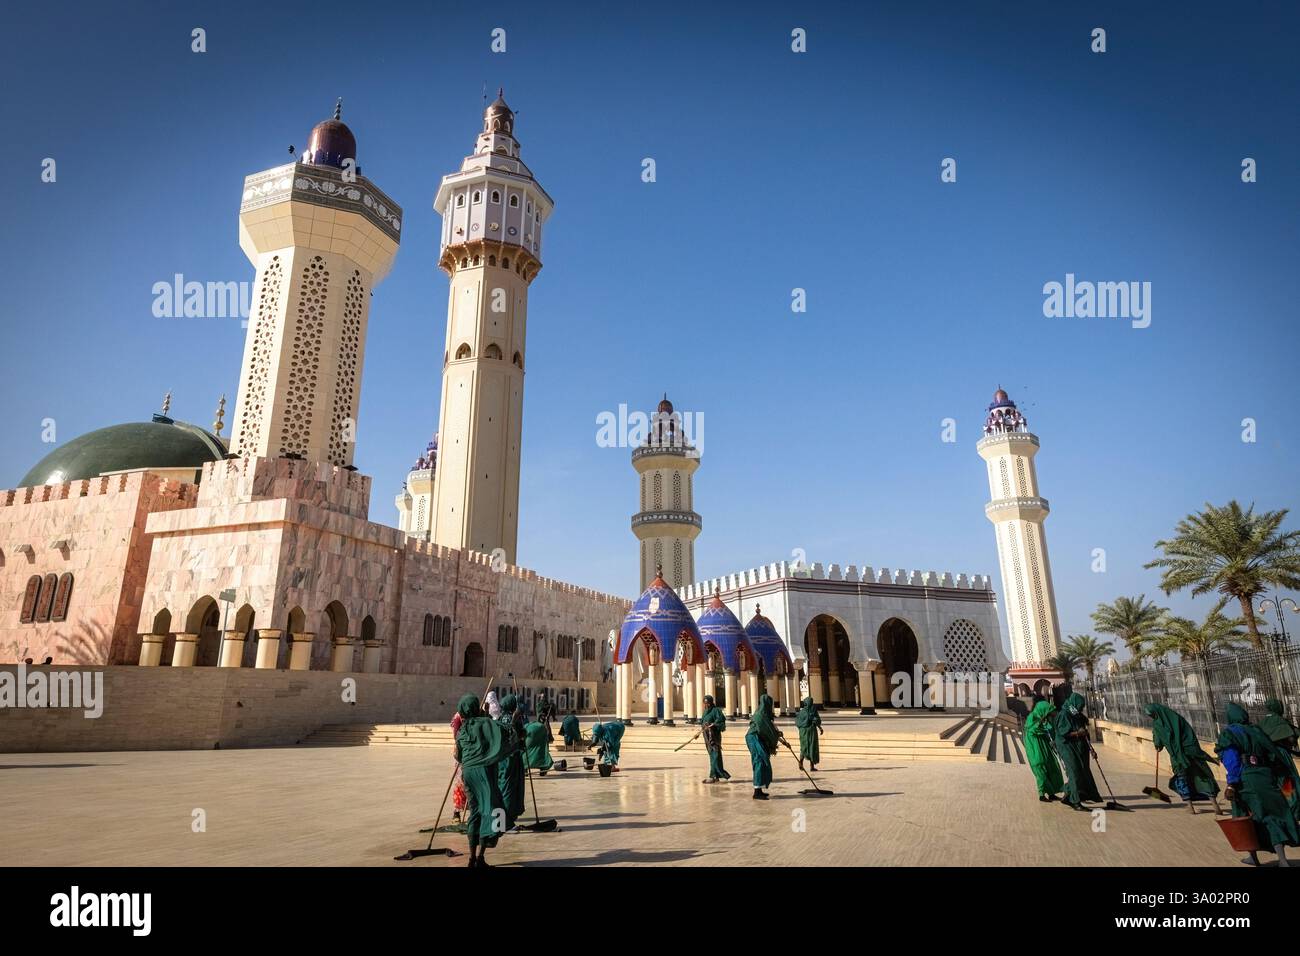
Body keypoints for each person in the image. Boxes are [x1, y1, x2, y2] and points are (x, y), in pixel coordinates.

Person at [1216, 702, 1299, 866]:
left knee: (1245, 817)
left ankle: (1257, 858)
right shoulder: (1256, 731)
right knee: (1273, 815)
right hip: (1265, 776)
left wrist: (1232, 784)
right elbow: (1273, 755)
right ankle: (1280, 859)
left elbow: (1232, 760)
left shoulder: (1230, 734)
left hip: (1246, 779)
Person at [453, 694, 509, 868]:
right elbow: (508, 733)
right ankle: (481, 857)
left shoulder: (462, 730)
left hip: (468, 773)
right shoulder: (487, 724)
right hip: (484, 771)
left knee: (475, 811)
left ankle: (471, 858)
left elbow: (458, 755)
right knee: (491, 810)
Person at [1144, 702, 1222, 814]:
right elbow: (1190, 735)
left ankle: (1190, 807)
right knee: (1202, 777)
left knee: (1182, 780)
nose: (1152, 717)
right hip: (1191, 754)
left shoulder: (1157, 726)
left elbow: (1158, 745)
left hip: (1177, 759)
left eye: (1152, 715)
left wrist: (1157, 745)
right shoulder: (1177, 718)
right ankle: (1215, 806)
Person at [1053, 692, 1102, 810]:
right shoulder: (1064, 714)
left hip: (1077, 747)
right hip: (1066, 747)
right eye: (1079, 707)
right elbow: (1062, 733)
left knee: (1081, 771)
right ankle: (1075, 802)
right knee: (1074, 771)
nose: (1080, 709)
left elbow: (1085, 734)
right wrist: (1077, 733)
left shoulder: (1076, 715)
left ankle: (1068, 795)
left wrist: (1091, 749)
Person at [494, 694, 527, 830]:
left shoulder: (501, 717)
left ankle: (508, 818)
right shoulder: (508, 718)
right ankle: (504, 823)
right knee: (507, 789)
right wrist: (515, 720)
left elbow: (520, 734)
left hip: (510, 759)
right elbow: (510, 736)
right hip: (508, 759)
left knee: (510, 788)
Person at [745, 693, 786, 800]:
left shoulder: (764, 715)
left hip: (758, 739)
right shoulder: (760, 715)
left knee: (762, 763)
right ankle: (756, 792)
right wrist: (777, 735)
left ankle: (759, 790)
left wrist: (778, 736)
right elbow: (768, 731)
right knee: (759, 762)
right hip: (754, 739)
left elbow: (770, 730)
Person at [1024, 697, 1063, 802]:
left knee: (1052, 767)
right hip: (1035, 748)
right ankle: (1041, 794)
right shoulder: (1032, 718)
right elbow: (1032, 730)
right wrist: (1040, 723)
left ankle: (1052, 793)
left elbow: (1049, 729)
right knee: (1040, 768)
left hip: (1044, 746)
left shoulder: (1044, 719)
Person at [700, 694, 731, 783]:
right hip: (707, 737)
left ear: (711, 702)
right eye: (705, 703)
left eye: (708, 703)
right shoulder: (705, 712)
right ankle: (716, 775)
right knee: (712, 755)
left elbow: (721, 720)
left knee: (715, 755)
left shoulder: (716, 710)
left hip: (714, 738)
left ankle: (713, 775)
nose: (706, 705)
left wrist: (714, 724)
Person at [450, 710, 470, 822]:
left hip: (473, 754)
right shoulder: (458, 717)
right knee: (460, 784)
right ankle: (456, 813)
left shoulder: (477, 714)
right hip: (463, 754)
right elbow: (456, 736)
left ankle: (475, 812)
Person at [795, 696, 822, 772]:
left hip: (804, 732)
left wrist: (801, 728)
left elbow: (798, 722)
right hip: (810, 732)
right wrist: (820, 728)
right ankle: (809, 766)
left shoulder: (802, 712)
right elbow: (816, 720)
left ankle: (802, 763)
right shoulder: (811, 711)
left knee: (805, 747)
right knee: (810, 748)